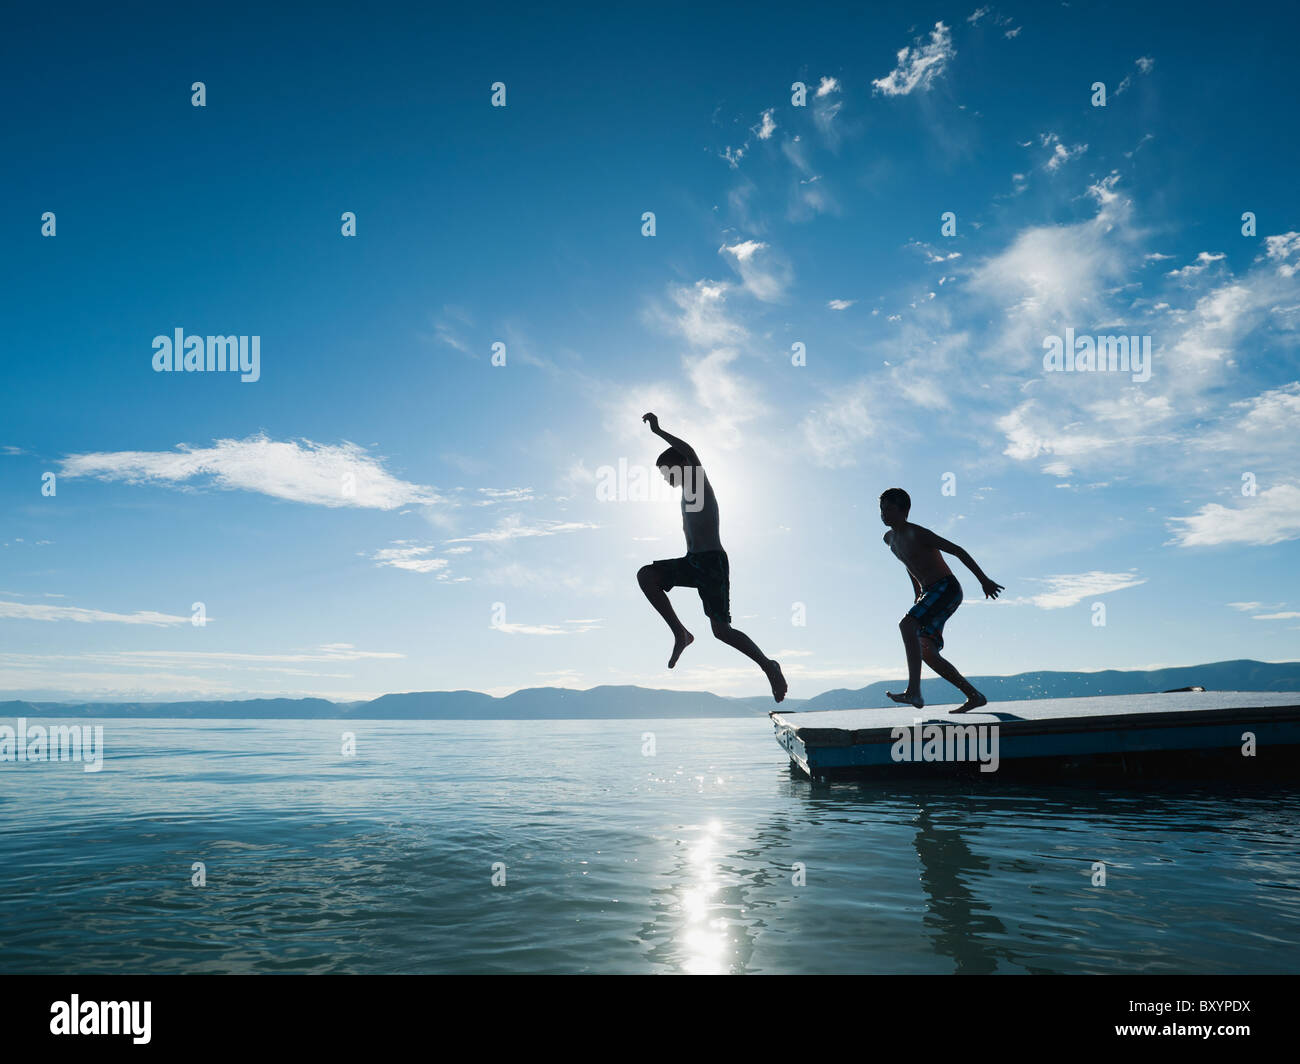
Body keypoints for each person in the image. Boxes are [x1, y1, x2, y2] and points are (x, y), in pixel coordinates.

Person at [636, 413, 788, 703]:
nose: (664, 478)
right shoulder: (684, 495)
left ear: (681, 466)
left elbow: (691, 452)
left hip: (712, 564)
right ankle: (680, 633)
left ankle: (769, 666)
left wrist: (658, 430)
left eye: (666, 471)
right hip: (691, 561)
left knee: (721, 631)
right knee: (647, 576)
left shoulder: (697, 485)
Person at [879, 487, 1003, 712]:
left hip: (946, 588)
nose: (884, 513)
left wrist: (984, 580)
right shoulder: (889, 540)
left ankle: (913, 692)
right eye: (881, 508)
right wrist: (917, 592)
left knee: (907, 625)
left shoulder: (918, 533)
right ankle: (974, 696)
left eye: (889, 508)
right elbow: (910, 564)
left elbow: (957, 551)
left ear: (904, 510)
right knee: (925, 649)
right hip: (929, 592)